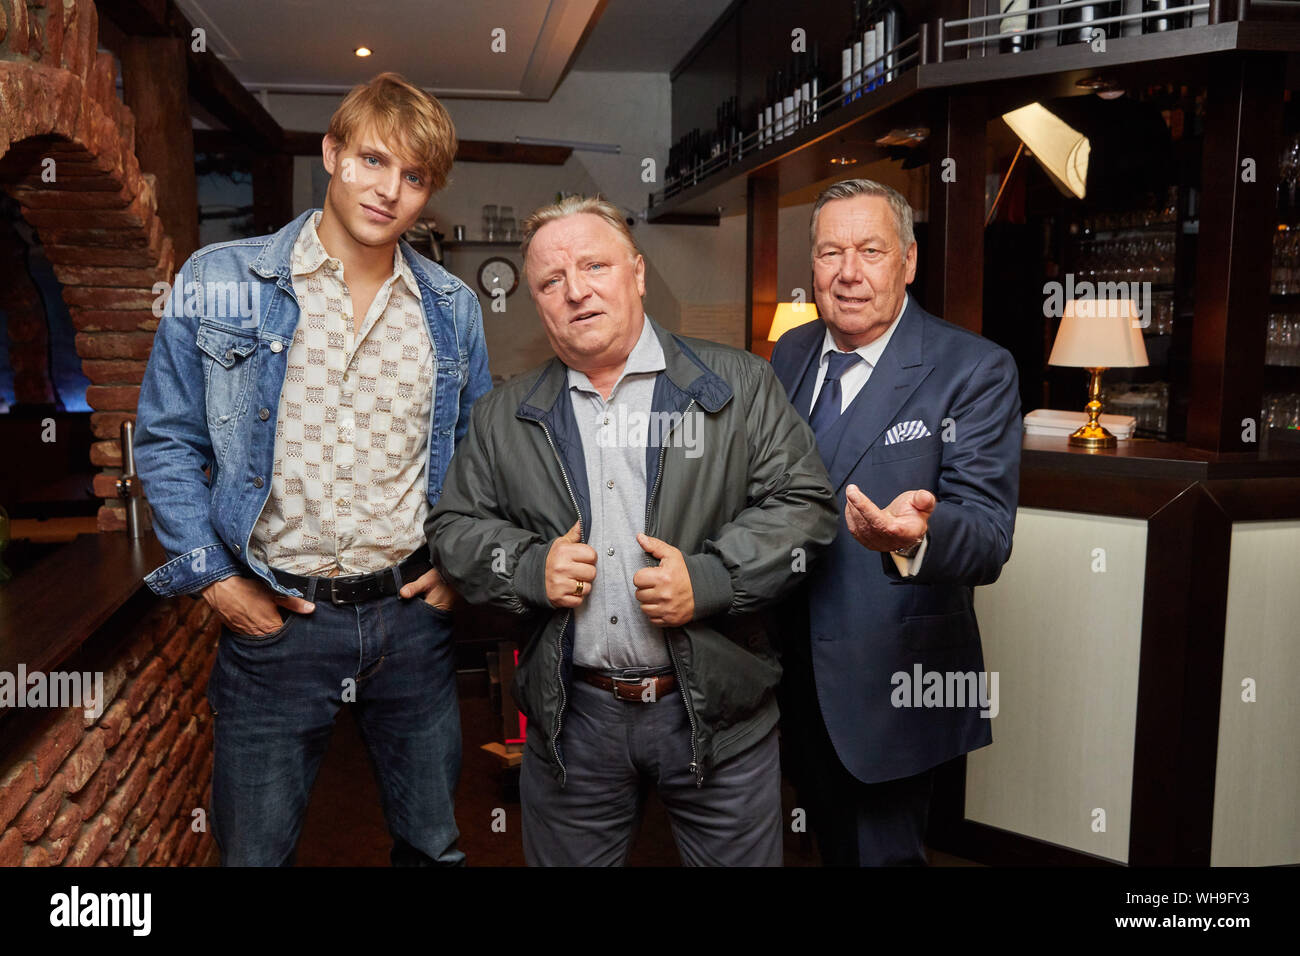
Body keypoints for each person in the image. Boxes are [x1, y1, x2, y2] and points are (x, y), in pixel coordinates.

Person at [134, 73, 491, 866]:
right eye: (371, 160)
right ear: (331, 154)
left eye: (414, 176)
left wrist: (457, 572)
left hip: (409, 619)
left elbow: (479, 456)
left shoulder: (452, 309)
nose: (388, 189)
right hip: (276, 619)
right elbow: (163, 441)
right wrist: (215, 581)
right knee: (254, 854)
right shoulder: (219, 282)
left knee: (433, 846)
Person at [427, 196, 837, 866]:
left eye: (595, 265)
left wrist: (709, 579)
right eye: (551, 281)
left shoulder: (739, 384)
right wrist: (530, 569)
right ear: (535, 301)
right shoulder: (504, 416)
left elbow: (807, 507)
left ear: (638, 273)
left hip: (719, 718)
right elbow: (453, 529)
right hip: (575, 721)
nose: (576, 291)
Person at [770, 179, 1021, 866]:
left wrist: (917, 540)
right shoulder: (789, 355)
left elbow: (990, 535)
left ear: (907, 261)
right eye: (830, 253)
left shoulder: (973, 368)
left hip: (893, 681)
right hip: (792, 674)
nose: (848, 273)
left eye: (871, 250)